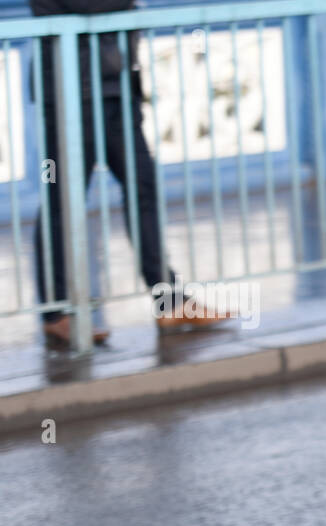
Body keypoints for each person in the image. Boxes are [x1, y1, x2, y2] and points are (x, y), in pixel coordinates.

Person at [29, 0, 234, 348]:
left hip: (115, 85)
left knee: (143, 188)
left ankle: (170, 301)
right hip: (67, 91)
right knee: (61, 201)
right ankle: (56, 312)